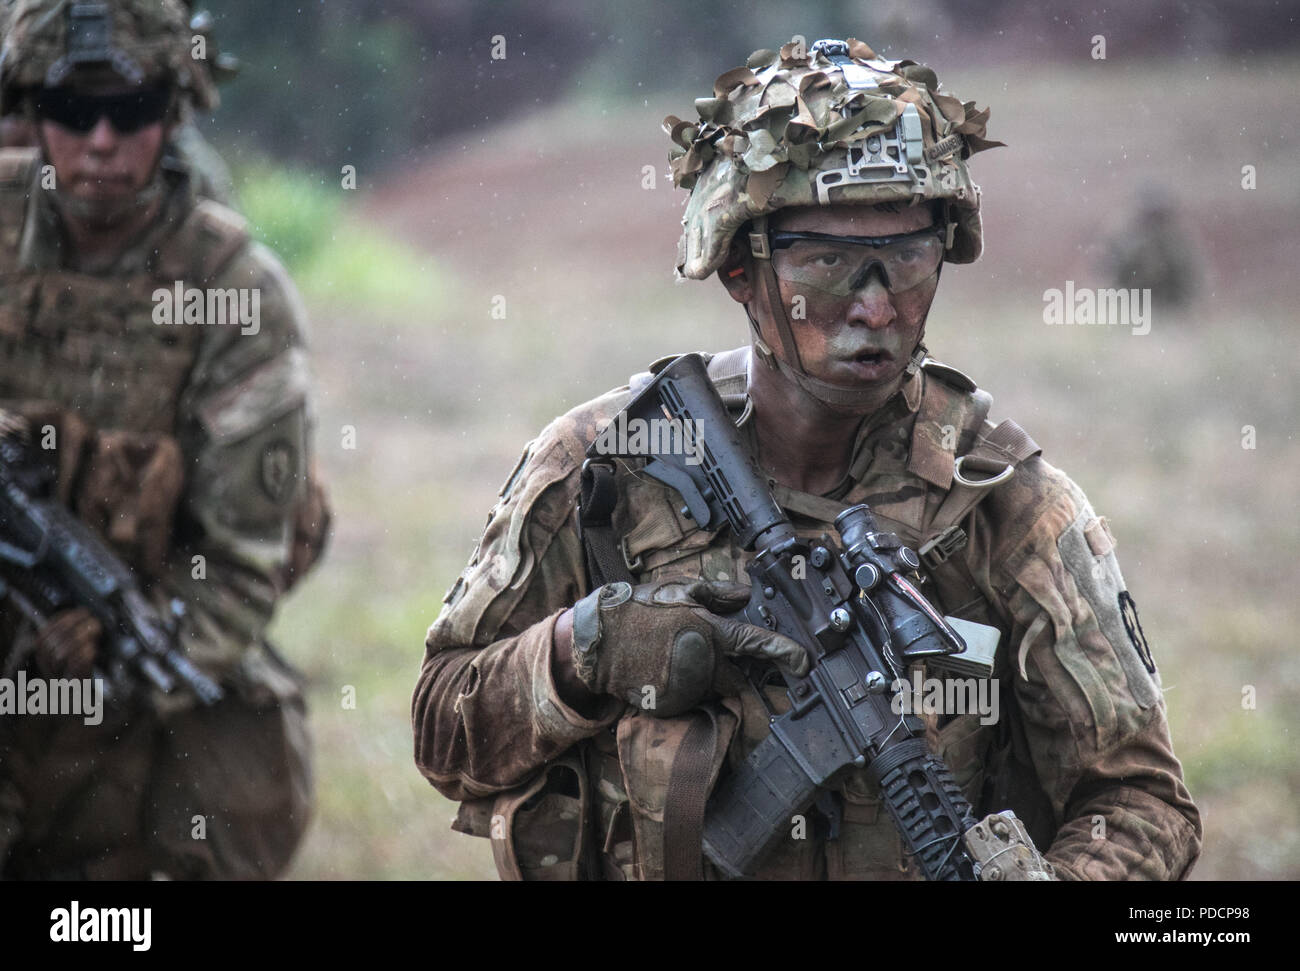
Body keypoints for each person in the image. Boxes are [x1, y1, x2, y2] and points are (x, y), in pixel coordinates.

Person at [412, 38, 1201, 881]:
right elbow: (442, 729)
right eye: (828, 262)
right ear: (740, 272)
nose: (876, 305)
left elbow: (1142, 797)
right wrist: (584, 648)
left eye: (906, 257)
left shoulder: (1003, 504)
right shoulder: (609, 466)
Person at [0, 0, 328, 879]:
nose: (100, 140)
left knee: (229, 742)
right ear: (31, 112)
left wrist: (125, 651)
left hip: (147, 641)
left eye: (131, 110)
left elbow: (242, 561)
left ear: (173, 112)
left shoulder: (233, 291)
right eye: (71, 112)